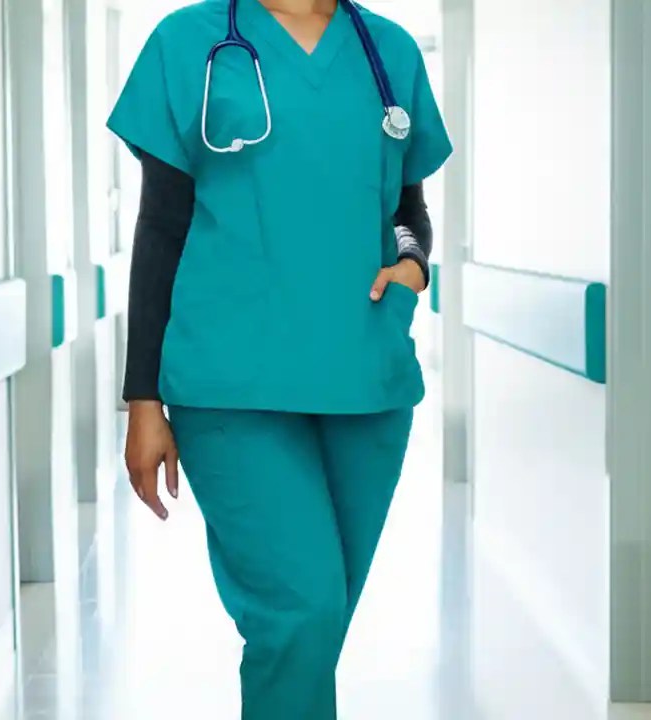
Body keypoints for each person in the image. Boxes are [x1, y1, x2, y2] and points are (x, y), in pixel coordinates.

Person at [107, 0, 451, 716]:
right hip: (228, 382)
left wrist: (414, 265)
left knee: (316, 626)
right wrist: (143, 399)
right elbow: (162, 226)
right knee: (297, 613)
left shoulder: (387, 51)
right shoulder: (189, 43)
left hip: (366, 381)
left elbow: (406, 211)